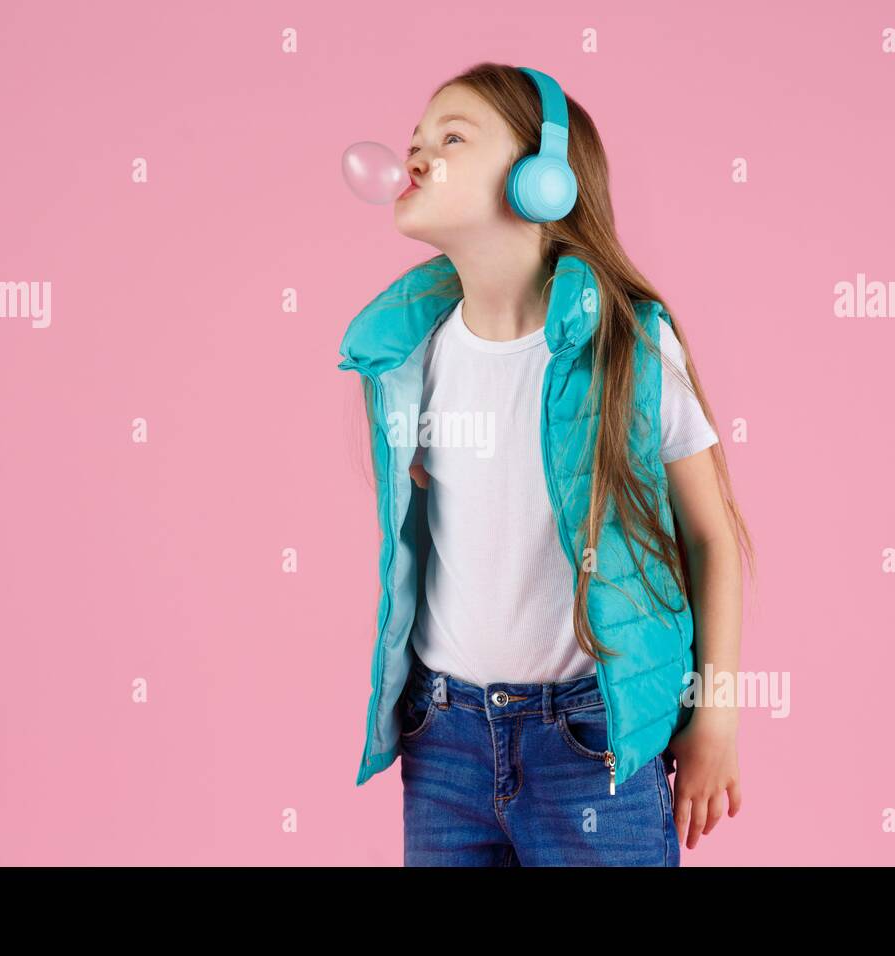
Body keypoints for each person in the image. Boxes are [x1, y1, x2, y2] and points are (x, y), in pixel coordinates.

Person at [338, 62, 754, 866]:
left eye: (451, 138)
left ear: (542, 179)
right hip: (443, 738)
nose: (414, 157)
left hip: (592, 742)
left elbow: (711, 539)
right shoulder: (408, 356)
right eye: (414, 142)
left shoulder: (628, 345)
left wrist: (718, 718)